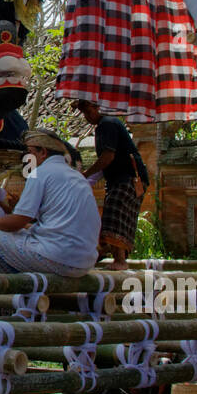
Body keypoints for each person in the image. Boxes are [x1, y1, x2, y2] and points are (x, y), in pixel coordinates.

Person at [0, 129, 101, 278]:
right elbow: (47, 223)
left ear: (42, 152)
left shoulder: (40, 173)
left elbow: (18, 222)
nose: (25, 159)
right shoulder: (77, 176)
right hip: (83, 263)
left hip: (58, 258)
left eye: (28, 153)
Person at [73, 101, 150, 271]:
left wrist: (84, 175)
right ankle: (105, 254)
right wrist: (85, 181)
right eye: (84, 113)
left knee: (115, 217)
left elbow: (107, 158)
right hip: (122, 179)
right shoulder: (105, 125)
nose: (86, 117)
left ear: (98, 107)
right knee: (116, 217)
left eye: (88, 111)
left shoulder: (107, 124)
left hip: (128, 178)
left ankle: (120, 260)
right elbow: (106, 165)